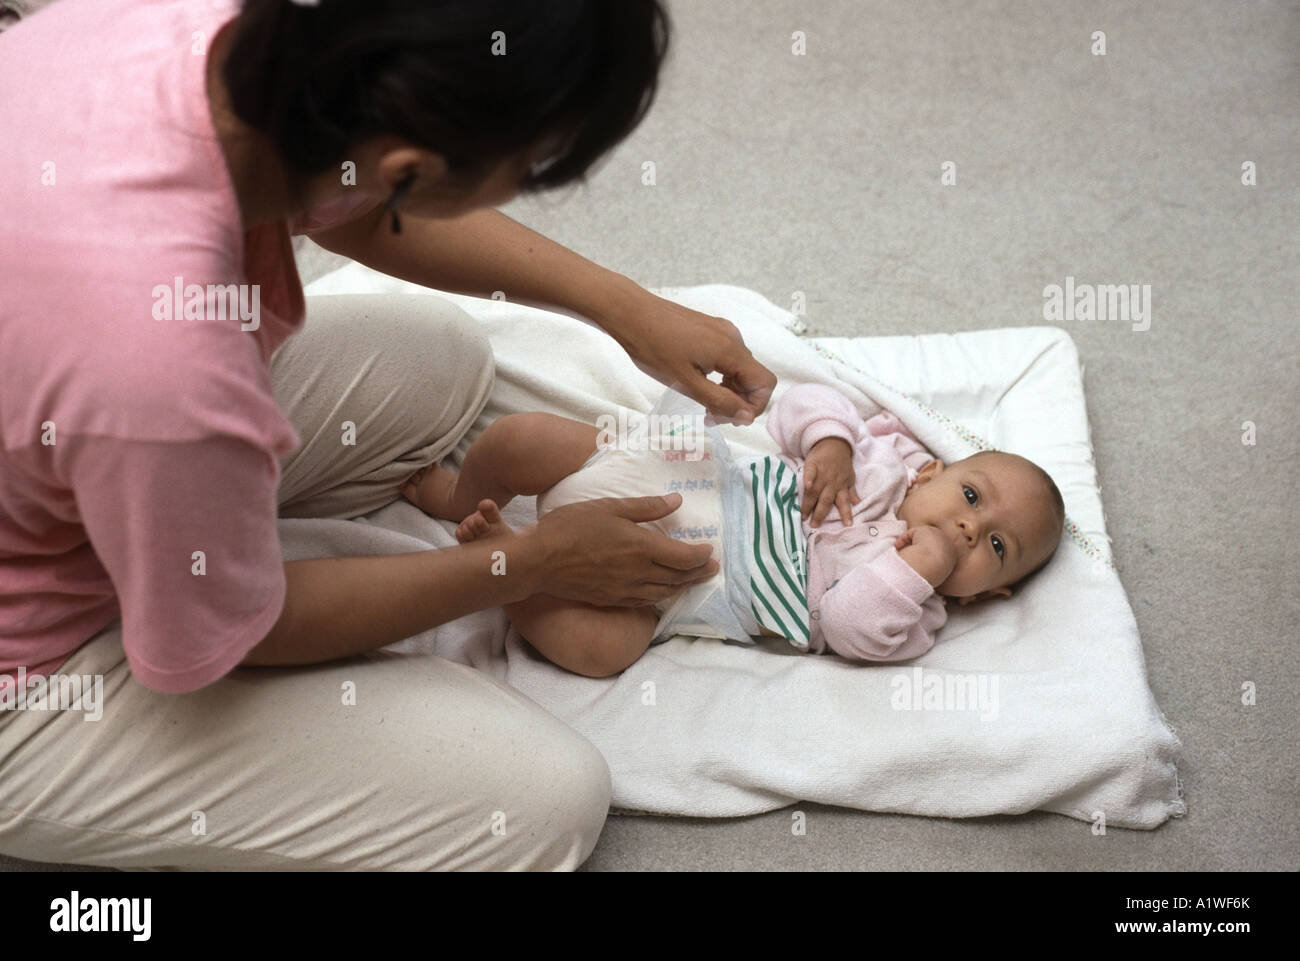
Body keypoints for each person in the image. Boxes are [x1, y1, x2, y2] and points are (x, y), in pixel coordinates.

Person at [0, 0, 776, 870]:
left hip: (71, 415)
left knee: (439, 361)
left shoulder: (234, 32)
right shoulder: (157, 357)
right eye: (525, 167)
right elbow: (233, 630)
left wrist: (624, 307)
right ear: (408, 163)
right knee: (541, 801)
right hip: (25, 667)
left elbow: (355, 197)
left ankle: (144, 501)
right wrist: (524, 565)